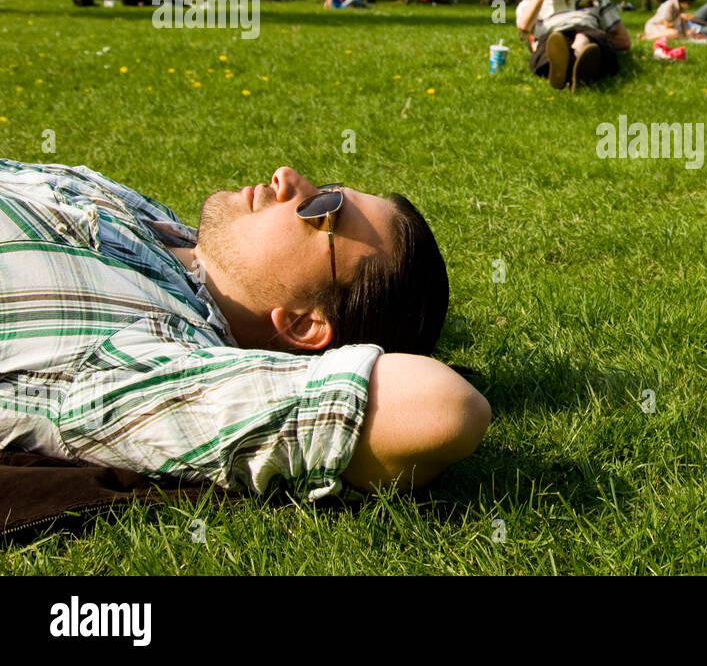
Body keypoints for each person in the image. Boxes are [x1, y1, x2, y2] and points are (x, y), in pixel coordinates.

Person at [0, 160, 490, 499]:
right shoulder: (160, 226)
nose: (287, 178)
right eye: (326, 188)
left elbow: (443, 409)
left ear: (302, 324)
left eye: (321, 211)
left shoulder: (143, 355)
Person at [515, 0, 630, 92]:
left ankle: (574, 60)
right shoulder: (530, 4)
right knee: (555, 42)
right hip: (552, 38)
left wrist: (594, 40)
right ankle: (575, 66)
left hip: (589, 33)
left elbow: (624, 41)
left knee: (587, 38)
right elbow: (524, 27)